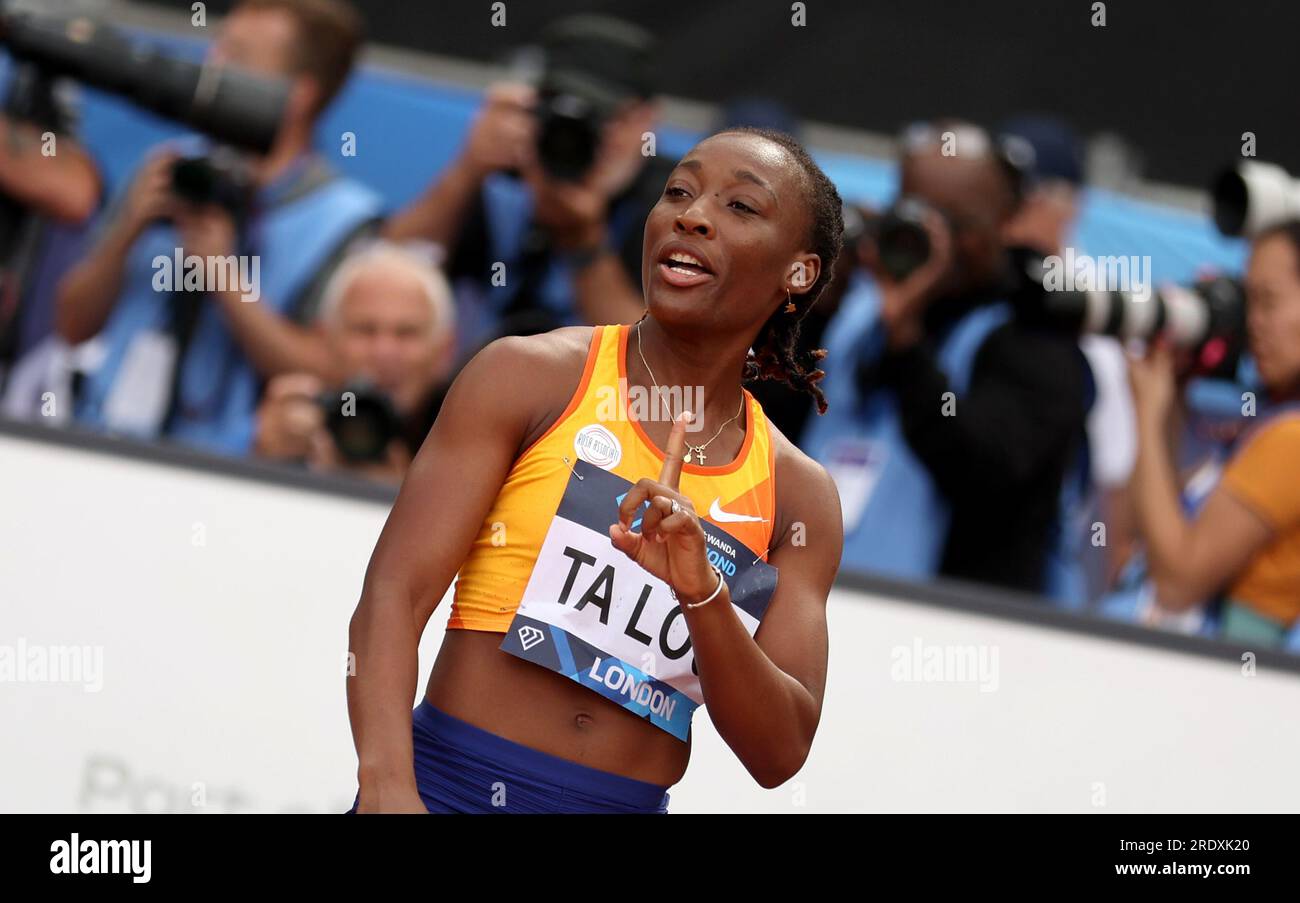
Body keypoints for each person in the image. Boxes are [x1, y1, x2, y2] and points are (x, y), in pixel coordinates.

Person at [346, 126, 844, 813]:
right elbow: (393, 594)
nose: (691, 215)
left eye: (740, 207)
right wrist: (387, 785)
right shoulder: (527, 376)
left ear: (800, 271)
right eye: (678, 191)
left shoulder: (799, 495)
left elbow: (780, 751)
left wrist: (704, 596)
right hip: (444, 789)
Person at [55, 0, 383, 455]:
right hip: (100, 449)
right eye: (218, 48)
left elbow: (333, 373)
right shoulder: (169, 167)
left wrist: (225, 278)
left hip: (234, 481)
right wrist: (127, 229)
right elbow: (72, 325)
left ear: (298, 94)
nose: (212, 66)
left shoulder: (344, 221)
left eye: (238, 57)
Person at [804, 120, 1091, 596]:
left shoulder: (1035, 338)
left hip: (947, 628)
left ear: (1007, 222)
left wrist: (907, 341)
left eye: (956, 224)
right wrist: (813, 305)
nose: (937, 241)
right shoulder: (857, 310)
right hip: (814, 600)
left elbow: (986, 473)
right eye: (918, 215)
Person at [384, 15, 671, 344]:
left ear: (647, 119)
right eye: (562, 112)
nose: (582, 136)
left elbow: (658, 360)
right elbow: (386, 270)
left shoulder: (673, 203)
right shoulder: (508, 178)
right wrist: (466, 170)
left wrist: (583, 244)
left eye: (601, 117)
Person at [1125, 220, 1300, 646]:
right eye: (1247, 301)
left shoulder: (1290, 440)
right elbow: (1164, 516)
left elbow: (1177, 584)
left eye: (1269, 302)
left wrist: (1147, 415)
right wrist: (1175, 393)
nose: (1252, 323)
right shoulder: (1270, 415)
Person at [253, 240, 456, 485]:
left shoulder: (472, 450)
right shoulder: (300, 427)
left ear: (445, 350)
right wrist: (264, 461)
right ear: (324, 339)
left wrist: (403, 495)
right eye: (365, 330)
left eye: (406, 333)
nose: (384, 352)